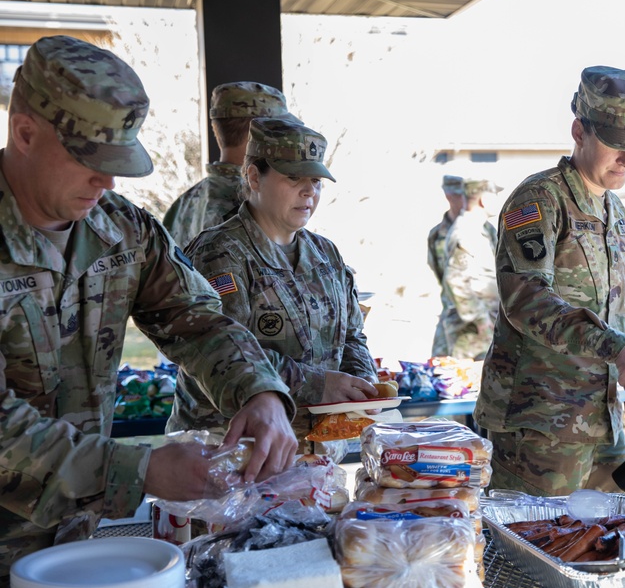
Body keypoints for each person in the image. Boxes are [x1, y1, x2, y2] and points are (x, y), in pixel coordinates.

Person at [0, 35, 297, 579]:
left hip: (76, 544)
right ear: (24, 133)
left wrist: (260, 391)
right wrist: (137, 471)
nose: (108, 181)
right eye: (90, 159)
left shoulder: (122, 229)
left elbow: (199, 320)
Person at [474, 65, 625, 496]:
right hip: (540, 426)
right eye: (615, 145)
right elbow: (526, 300)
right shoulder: (540, 199)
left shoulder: (615, 213)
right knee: (534, 549)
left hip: (603, 422)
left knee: (604, 545)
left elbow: (618, 310)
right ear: (579, 132)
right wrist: (617, 347)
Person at [168, 118, 378, 451]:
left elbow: (352, 334)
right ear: (253, 176)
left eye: (315, 181)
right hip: (231, 454)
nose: (309, 191)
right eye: (294, 178)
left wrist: (364, 382)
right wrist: (319, 384)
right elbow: (221, 351)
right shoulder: (219, 254)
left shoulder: (325, 253)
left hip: (312, 458)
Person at [162, 82, 298, 249]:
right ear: (256, 133)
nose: (286, 140)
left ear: (215, 128)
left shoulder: (183, 205)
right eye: (281, 131)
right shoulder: (257, 203)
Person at [441, 177, 500, 360]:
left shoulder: (478, 229)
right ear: (483, 198)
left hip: (484, 324)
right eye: (495, 195)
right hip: (473, 331)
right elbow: (456, 280)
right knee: (471, 383)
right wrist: (480, 319)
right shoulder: (466, 231)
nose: (498, 200)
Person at [427, 174, 465, 356]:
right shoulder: (436, 235)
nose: (463, 200)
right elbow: (438, 272)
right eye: (458, 195)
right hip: (450, 315)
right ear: (448, 196)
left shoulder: (484, 231)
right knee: (440, 369)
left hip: (480, 320)